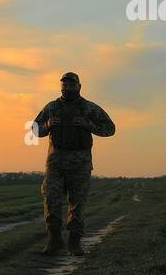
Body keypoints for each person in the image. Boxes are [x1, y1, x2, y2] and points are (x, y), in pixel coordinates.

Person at [31, 72, 115, 255]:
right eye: (64, 85)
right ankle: (54, 240)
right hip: (55, 163)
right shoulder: (51, 107)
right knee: (51, 200)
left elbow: (110, 128)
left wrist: (89, 125)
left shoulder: (89, 108)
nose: (67, 88)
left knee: (77, 203)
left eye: (71, 85)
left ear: (79, 86)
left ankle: (74, 243)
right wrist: (47, 125)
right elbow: (34, 129)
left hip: (80, 164)